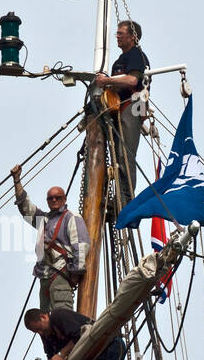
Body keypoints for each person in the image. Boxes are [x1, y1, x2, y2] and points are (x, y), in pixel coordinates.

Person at [10, 167, 90, 312]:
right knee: (46, 322)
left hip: (61, 274)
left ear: (64, 199)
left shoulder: (71, 218)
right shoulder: (44, 220)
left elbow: (81, 246)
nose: (54, 200)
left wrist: (74, 274)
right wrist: (17, 180)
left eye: (57, 197)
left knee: (62, 317)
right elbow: (26, 208)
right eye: (50, 198)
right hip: (44, 276)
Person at [94, 20, 150, 204]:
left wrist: (107, 81)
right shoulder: (120, 60)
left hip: (133, 106)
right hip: (118, 107)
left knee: (125, 153)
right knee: (117, 154)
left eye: (120, 33)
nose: (117, 36)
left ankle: (125, 199)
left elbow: (133, 81)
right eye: (117, 33)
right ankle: (117, 195)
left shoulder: (137, 55)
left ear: (132, 37)